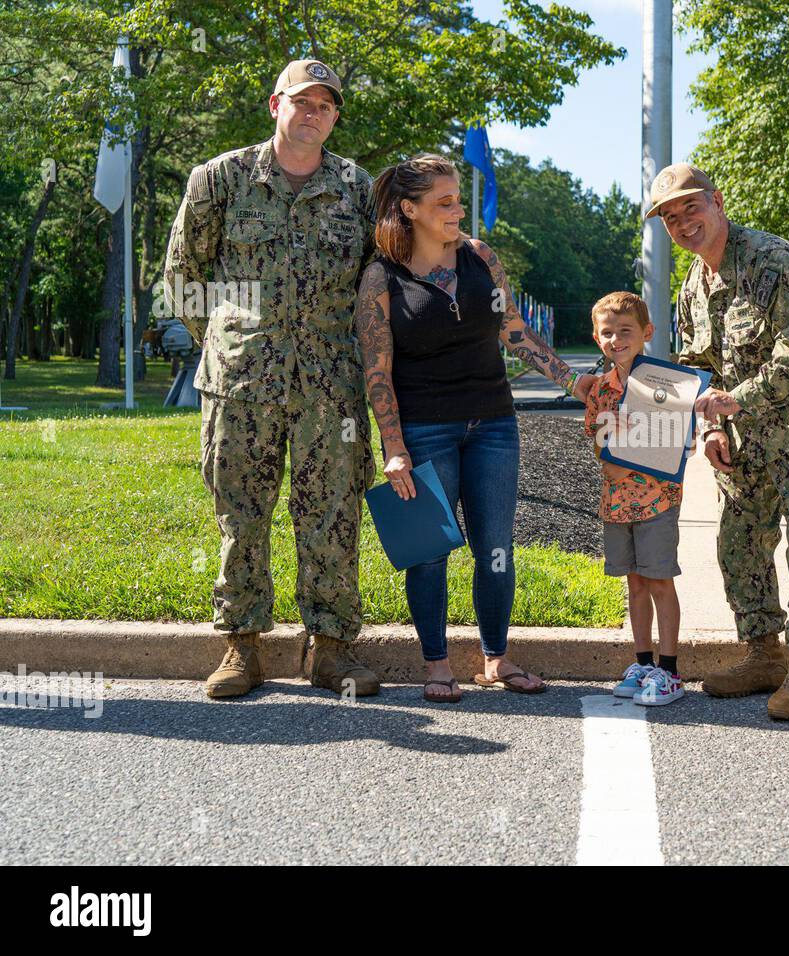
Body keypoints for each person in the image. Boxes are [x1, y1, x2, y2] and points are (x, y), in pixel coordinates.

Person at [163, 59, 381, 700]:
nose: (312, 113)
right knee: (241, 514)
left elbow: (376, 284)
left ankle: (333, 649)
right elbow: (183, 275)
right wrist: (229, 347)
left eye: (325, 105)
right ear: (274, 104)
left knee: (334, 514)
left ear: (335, 116)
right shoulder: (222, 180)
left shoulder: (357, 188)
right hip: (240, 384)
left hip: (330, 386)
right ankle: (241, 646)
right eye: (301, 101)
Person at [353, 153, 597, 704]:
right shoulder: (381, 278)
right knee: (429, 550)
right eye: (444, 202)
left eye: (459, 198)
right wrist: (393, 447)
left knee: (496, 546)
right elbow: (377, 369)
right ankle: (437, 665)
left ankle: (496, 658)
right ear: (410, 209)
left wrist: (572, 381)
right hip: (423, 430)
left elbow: (515, 333)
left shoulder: (481, 258)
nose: (457, 209)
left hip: (493, 424)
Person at [649, 162, 789, 721]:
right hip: (743, 442)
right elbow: (698, 366)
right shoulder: (694, 285)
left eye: (690, 208)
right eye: (670, 217)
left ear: (718, 202)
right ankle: (763, 652)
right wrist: (714, 425)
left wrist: (733, 403)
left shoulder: (776, 261)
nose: (682, 223)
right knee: (740, 547)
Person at [584, 291, 688, 706]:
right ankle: (642, 661)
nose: (615, 339)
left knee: (661, 582)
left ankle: (670, 670)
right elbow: (601, 450)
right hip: (616, 505)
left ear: (646, 333)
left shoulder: (667, 386)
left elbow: (670, 443)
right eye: (607, 332)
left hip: (658, 502)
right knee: (636, 583)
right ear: (597, 338)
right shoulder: (600, 390)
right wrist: (628, 445)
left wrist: (623, 446)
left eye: (625, 331)